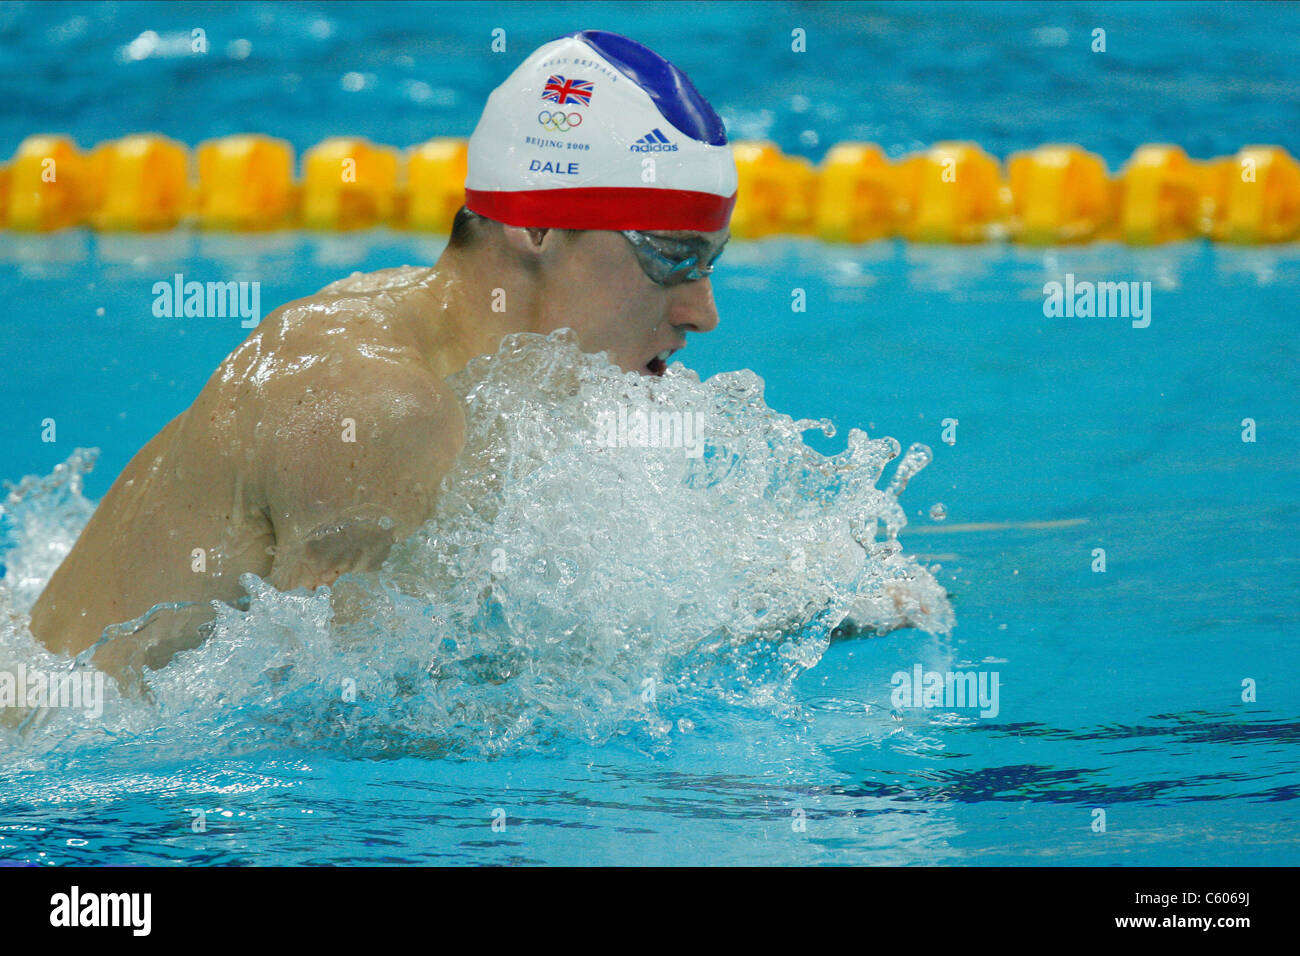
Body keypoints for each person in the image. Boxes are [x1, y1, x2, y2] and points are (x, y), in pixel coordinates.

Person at [28, 30, 736, 689]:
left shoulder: (434, 338)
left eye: (710, 263)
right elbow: (325, 726)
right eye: (672, 257)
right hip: (63, 802)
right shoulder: (383, 408)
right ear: (536, 226)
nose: (701, 313)